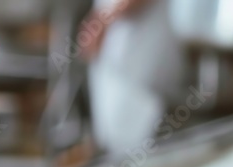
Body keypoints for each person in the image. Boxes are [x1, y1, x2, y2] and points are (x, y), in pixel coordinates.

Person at [80, 0, 187, 155]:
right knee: (116, 139)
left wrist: (103, 21)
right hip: (116, 56)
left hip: (142, 53)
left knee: (139, 136)